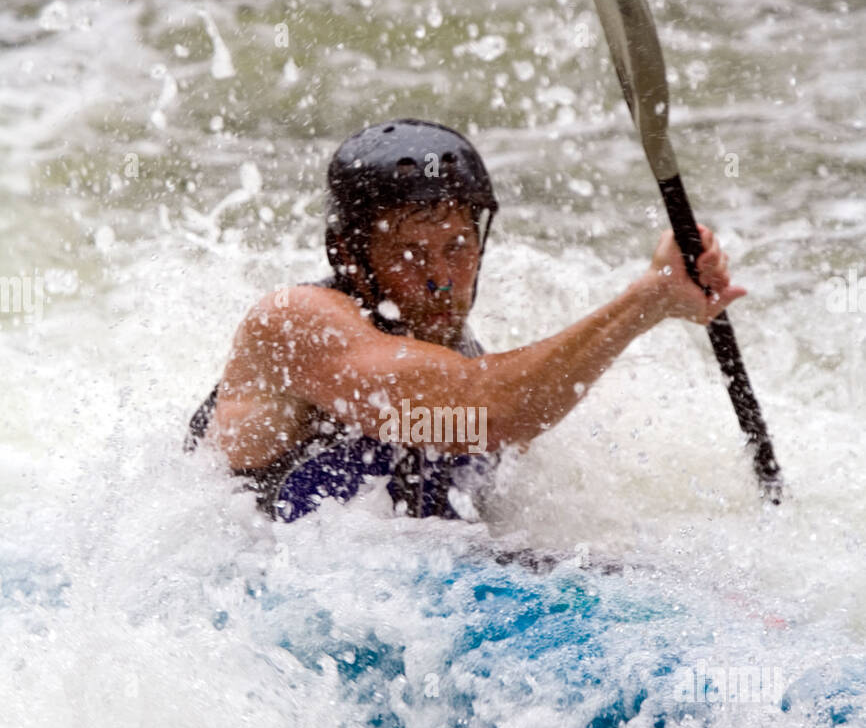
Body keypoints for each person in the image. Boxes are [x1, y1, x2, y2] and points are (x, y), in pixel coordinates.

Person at [186, 117, 744, 522]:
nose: (441, 278)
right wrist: (646, 301)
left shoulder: (453, 352)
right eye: (410, 253)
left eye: (457, 246)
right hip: (257, 605)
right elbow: (491, 412)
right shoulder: (295, 324)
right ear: (350, 256)